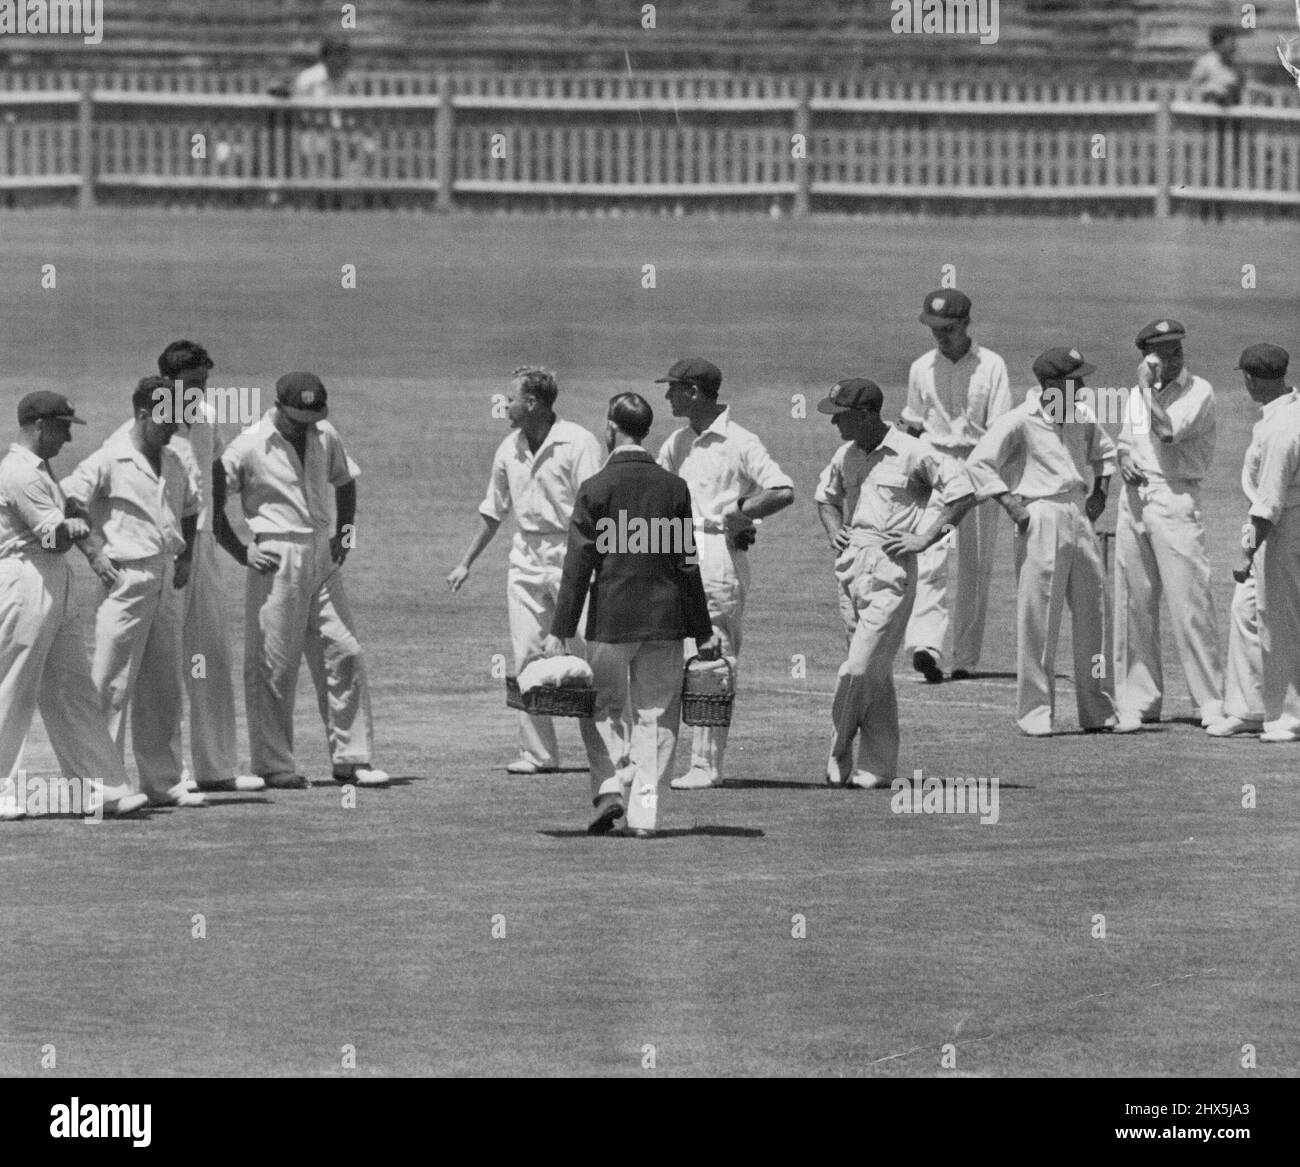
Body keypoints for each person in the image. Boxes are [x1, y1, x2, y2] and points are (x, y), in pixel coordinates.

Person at [546, 393, 720, 838]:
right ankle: (644, 816)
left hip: (612, 621)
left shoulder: (597, 488)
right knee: (657, 718)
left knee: (600, 707)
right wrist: (702, 632)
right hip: (666, 621)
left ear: (610, 428)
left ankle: (611, 783)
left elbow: (578, 564)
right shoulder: (673, 487)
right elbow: (687, 563)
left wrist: (559, 630)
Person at [215, 372, 388, 788]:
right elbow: (211, 503)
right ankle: (274, 765)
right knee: (274, 663)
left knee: (343, 651)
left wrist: (344, 535)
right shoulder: (248, 445)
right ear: (279, 406)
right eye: (299, 418)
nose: (307, 425)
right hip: (275, 555)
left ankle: (352, 758)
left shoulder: (324, 434)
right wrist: (241, 551)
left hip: (321, 553)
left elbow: (345, 482)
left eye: (313, 417)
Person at [817, 379, 977, 788]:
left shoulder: (913, 452)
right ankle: (877, 768)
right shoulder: (846, 455)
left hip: (892, 568)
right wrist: (834, 527)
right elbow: (825, 496)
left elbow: (962, 492)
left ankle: (838, 751)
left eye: (842, 415)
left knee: (858, 666)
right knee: (876, 672)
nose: (835, 422)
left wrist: (925, 537)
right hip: (851, 567)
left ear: (868, 415)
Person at [0, 391, 149, 821]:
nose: (68, 437)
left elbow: (61, 530)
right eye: (64, 427)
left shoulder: (40, 470)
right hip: (24, 581)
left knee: (73, 690)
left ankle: (103, 789)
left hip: (52, 581)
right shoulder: (19, 472)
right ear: (40, 426)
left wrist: (81, 536)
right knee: (14, 688)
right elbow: (50, 537)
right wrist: (71, 528)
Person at [448, 368, 604, 774]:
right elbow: (493, 510)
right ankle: (538, 753)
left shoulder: (579, 442)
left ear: (532, 403)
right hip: (526, 554)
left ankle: (608, 745)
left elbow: (599, 508)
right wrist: (466, 562)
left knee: (590, 652)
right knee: (527, 651)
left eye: (510, 399)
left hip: (574, 551)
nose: (505, 406)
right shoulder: (508, 448)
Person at [63, 377, 206, 808]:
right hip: (124, 578)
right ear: (143, 414)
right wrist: (94, 554)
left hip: (164, 576)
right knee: (110, 683)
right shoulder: (109, 458)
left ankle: (163, 782)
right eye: (166, 421)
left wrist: (184, 559)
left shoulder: (176, 459)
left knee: (163, 686)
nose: (173, 430)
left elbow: (191, 509)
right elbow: (72, 502)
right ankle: (98, 785)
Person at [655, 357, 794, 790]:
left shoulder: (740, 441)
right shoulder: (677, 443)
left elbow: (782, 490)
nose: (667, 396)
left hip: (716, 552)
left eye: (674, 388)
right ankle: (659, 757)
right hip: (677, 548)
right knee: (667, 658)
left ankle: (706, 765)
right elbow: (659, 494)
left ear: (694, 392)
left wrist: (738, 514)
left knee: (710, 657)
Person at [965, 348, 1117, 736]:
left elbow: (1105, 453)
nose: (1082, 387)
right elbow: (979, 463)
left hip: (1078, 513)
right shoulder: (1019, 420)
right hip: (1040, 515)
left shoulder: (1081, 415)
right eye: (1075, 380)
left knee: (1094, 611)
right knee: (1038, 619)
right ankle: (1036, 714)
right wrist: (1011, 504)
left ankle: (1098, 712)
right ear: (1051, 385)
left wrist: (1100, 492)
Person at [153, 341, 264, 793]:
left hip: (201, 546)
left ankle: (216, 768)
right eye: (193, 383)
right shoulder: (154, 423)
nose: (201, 390)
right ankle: (170, 774)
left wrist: (235, 549)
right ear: (168, 381)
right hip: (165, 548)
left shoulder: (206, 416)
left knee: (210, 656)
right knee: (167, 661)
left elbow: (214, 490)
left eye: (205, 382)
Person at [1113, 318, 1224, 732]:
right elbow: (1128, 440)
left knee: (1189, 603)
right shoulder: (1139, 393)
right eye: (1164, 353)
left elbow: (1166, 432)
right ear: (1147, 356)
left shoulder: (1200, 391)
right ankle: (1140, 701)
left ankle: (1210, 702)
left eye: (1178, 350)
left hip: (1177, 497)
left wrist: (1144, 389)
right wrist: (1123, 458)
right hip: (1135, 499)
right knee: (1134, 602)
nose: (1174, 359)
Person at [900, 289, 1011, 683]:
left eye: (947, 329)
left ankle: (965, 658)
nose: (940, 336)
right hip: (934, 467)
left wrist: (991, 479)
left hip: (978, 465)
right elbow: (912, 423)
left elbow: (1000, 428)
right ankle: (927, 646)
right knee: (930, 556)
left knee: (973, 565)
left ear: (965, 324)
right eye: (934, 329)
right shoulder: (921, 368)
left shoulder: (991, 366)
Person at [1228, 345, 1300, 742]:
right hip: (1280, 524)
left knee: (1280, 622)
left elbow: (1269, 501)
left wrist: (1247, 551)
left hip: (1281, 531)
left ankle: (1289, 716)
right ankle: (1248, 707)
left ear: (1251, 380)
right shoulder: (1289, 412)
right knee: (1244, 612)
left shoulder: (1280, 428)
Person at [1190, 25, 1243, 106]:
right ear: (1219, 44)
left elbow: (1239, 89)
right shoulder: (1205, 62)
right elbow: (1194, 86)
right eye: (1230, 42)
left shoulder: (1235, 66)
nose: (1234, 46)